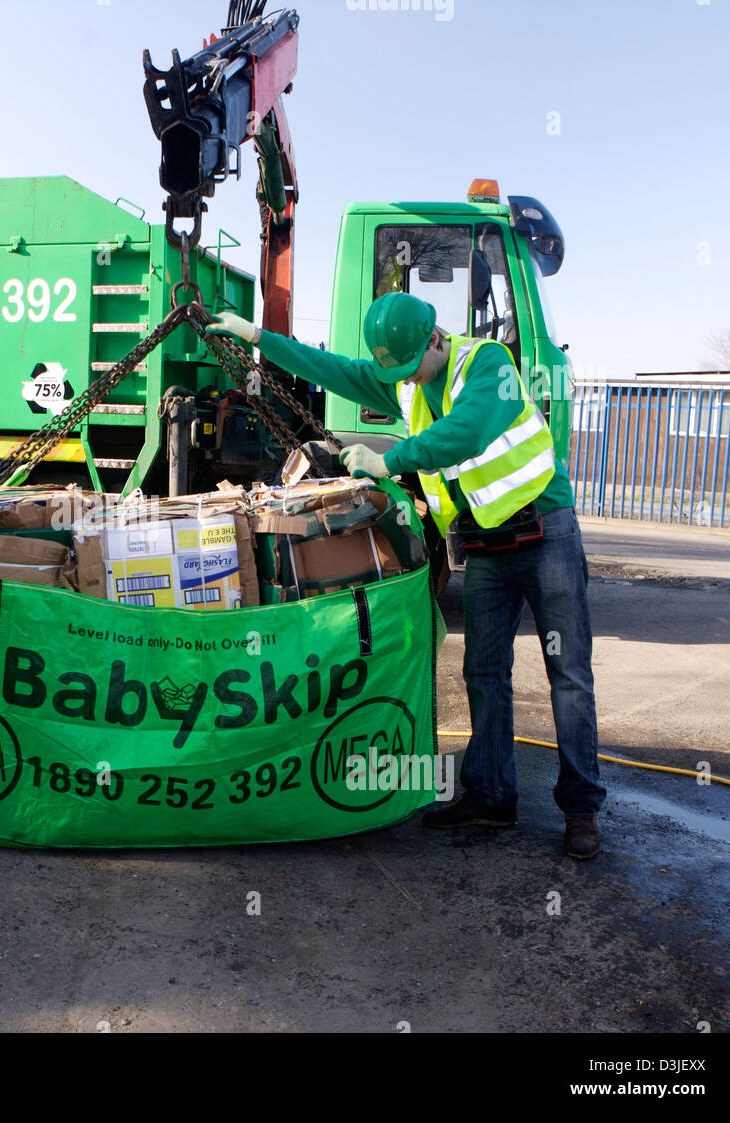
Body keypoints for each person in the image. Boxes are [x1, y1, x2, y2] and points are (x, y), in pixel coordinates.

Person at [209, 293, 605, 859]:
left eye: (409, 366)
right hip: (488, 545)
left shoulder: (488, 364)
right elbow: (338, 371)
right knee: (484, 673)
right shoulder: (406, 381)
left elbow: (465, 432)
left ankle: (582, 809)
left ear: (435, 339)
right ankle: (490, 796)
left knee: (568, 673)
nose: (406, 381)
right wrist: (259, 338)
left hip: (546, 534)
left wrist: (388, 461)